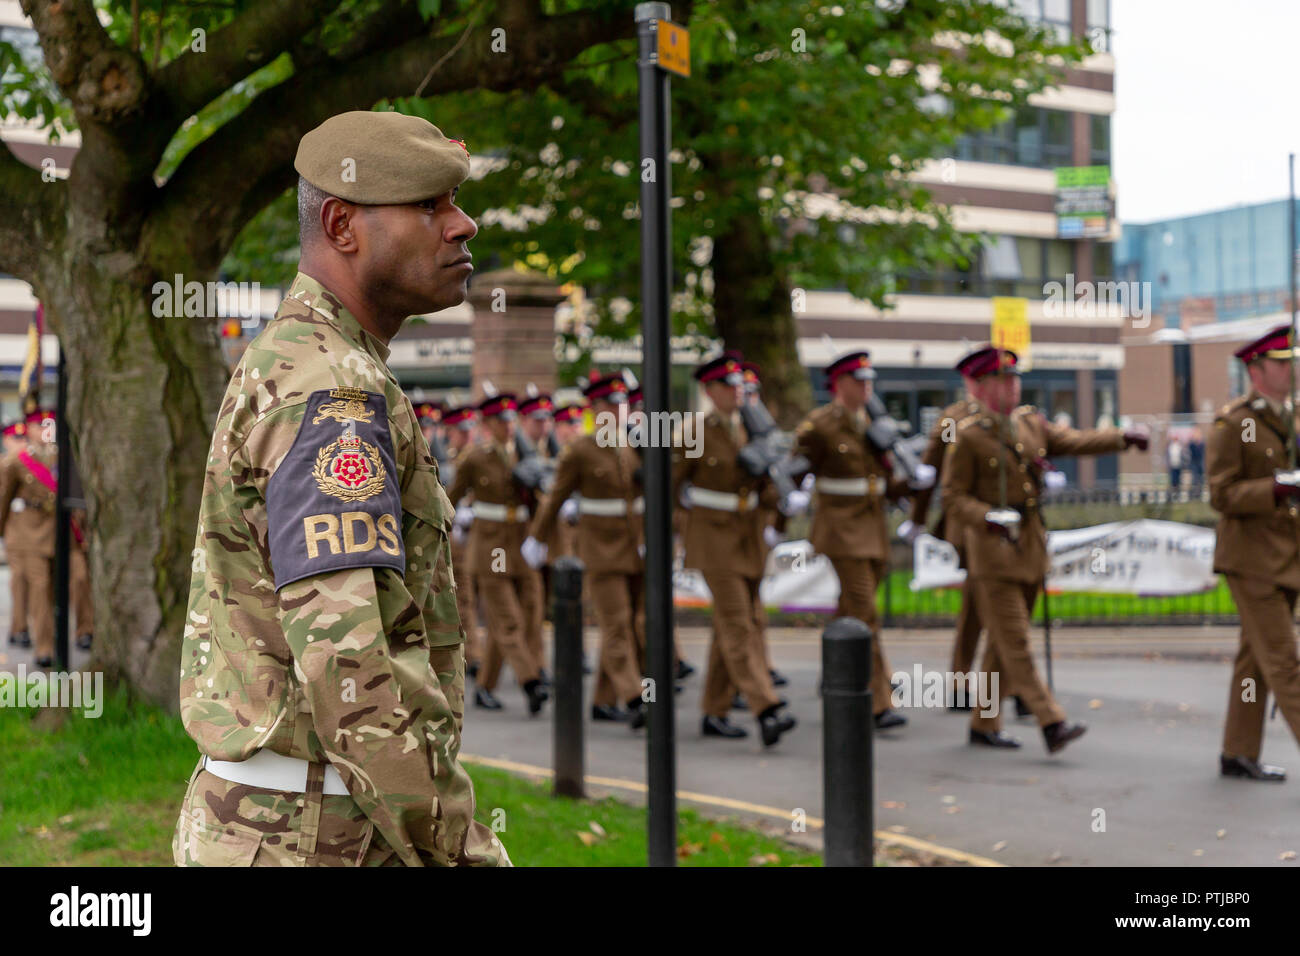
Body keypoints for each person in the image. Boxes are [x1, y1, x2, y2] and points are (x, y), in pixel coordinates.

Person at [173, 109, 507, 866]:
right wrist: (458, 850)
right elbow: (350, 667)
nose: (464, 225)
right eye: (430, 205)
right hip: (317, 834)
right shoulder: (331, 388)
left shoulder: (321, 359)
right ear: (342, 225)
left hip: (298, 820)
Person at [940, 345, 1146, 753]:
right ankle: (1052, 722)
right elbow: (952, 497)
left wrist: (1122, 438)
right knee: (1015, 642)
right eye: (1002, 380)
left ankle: (984, 724)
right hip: (993, 548)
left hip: (1029, 545)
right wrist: (987, 517)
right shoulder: (968, 436)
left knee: (1002, 645)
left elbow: (1075, 440)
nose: (1012, 387)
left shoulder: (1029, 424)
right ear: (980, 387)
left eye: (1015, 379)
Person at [789, 350, 932, 730]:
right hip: (840, 529)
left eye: (870, 380)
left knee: (851, 610)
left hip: (872, 526)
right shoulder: (820, 424)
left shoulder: (876, 423)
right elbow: (794, 470)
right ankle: (879, 702)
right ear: (839, 385)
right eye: (859, 381)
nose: (867, 387)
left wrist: (913, 482)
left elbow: (882, 481)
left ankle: (834, 671)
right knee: (865, 613)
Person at [672, 354, 796, 746]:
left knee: (739, 623)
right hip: (712, 539)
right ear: (709, 391)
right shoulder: (694, 432)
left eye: (739, 386)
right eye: (726, 387)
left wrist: (782, 504)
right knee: (740, 624)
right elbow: (670, 489)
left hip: (748, 536)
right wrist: (676, 534)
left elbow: (767, 482)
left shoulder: (753, 429)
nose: (736, 393)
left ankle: (714, 710)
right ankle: (766, 708)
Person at [526, 373, 647, 727]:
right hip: (600, 549)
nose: (618, 410)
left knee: (634, 623)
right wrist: (537, 538)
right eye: (610, 404)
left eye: (621, 403)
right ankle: (635, 696)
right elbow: (556, 498)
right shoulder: (580, 449)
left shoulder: (632, 444)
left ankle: (603, 700)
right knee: (617, 624)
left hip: (633, 548)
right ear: (595, 409)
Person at [1208, 325, 1300, 781]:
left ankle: (1238, 751)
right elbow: (1221, 494)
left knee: (1255, 661)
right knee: (1285, 663)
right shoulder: (1235, 421)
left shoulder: (1290, 417)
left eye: (1291, 361)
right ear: (1257, 370)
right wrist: (1276, 487)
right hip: (1251, 559)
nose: (1291, 369)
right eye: (1282, 363)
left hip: (1285, 556)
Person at [446, 392, 549, 714]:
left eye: (511, 421)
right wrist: (458, 519)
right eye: (501, 422)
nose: (508, 427)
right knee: (507, 619)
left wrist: (541, 535)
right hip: (491, 548)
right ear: (489, 424)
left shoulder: (525, 454)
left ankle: (485, 687)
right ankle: (531, 681)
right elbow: (451, 497)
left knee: (531, 612)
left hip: (521, 543)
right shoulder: (476, 457)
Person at [906, 386, 986, 711]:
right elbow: (931, 470)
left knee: (987, 605)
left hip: (1010, 525)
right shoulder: (954, 420)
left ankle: (972, 682)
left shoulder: (1015, 420)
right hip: (970, 525)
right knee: (990, 604)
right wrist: (917, 518)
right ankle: (1008, 687)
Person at [0, 410, 56, 667]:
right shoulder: (16, 461)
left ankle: (80, 632)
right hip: (27, 532)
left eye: (48, 425)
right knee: (37, 586)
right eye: (39, 425)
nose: (44, 430)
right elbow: (4, 499)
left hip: (60, 530)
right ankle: (43, 647)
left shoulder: (62, 456)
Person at [441, 404, 483, 679]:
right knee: (463, 597)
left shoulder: (479, 457)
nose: (467, 436)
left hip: (478, 537)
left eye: (470, 430)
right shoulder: (445, 462)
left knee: (474, 599)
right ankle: (472, 656)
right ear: (450, 432)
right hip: (454, 539)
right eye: (461, 430)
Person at [1, 419, 30, 649]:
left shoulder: (34, 464)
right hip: (14, 532)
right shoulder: (5, 465)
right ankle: (19, 628)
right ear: (5, 441)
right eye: (15, 438)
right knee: (19, 579)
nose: (20, 443)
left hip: (40, 532)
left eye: (23, 438)